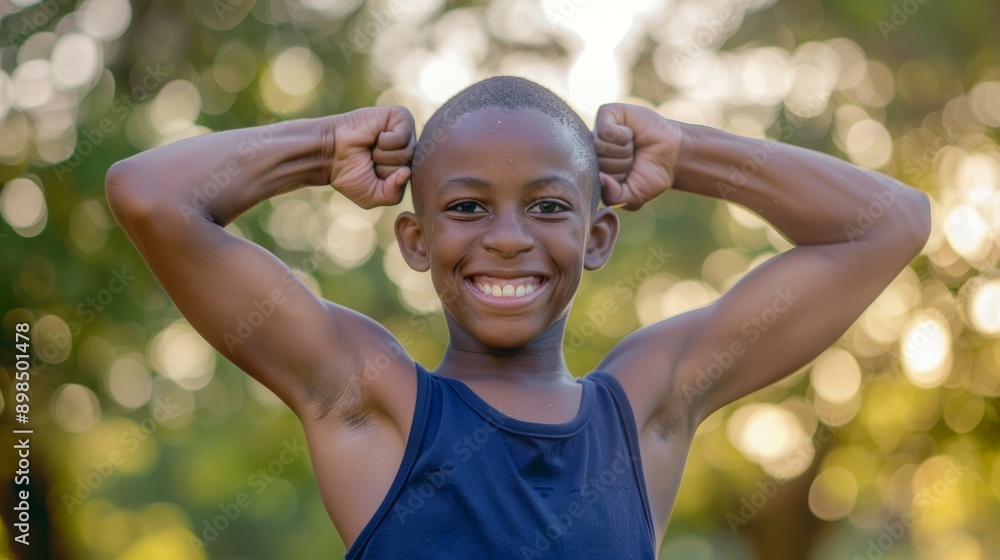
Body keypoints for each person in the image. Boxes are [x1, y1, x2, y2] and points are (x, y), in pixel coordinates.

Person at [105, 76, 931, 558]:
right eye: (466, 207)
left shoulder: (645, 409)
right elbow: (148, 194)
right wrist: (323, 148)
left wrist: (687, 151)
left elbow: (890, 222)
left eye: (546, 205)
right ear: (416, 240)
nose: (507, 238)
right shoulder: (371, 400)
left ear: (598, 235)